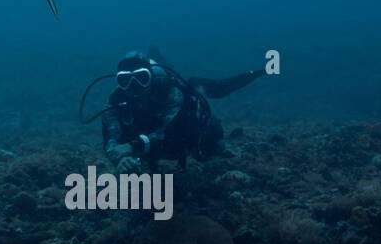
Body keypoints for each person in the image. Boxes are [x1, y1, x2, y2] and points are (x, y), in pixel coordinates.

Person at [94, 49, 262, 172]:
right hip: (150, 143)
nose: (134, 86)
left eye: (141, 78)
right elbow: (110, 139)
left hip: (187, 133)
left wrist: (132, 146)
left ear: (151, 77)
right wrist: (120, 158)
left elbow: (172, 128)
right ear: (119, 82)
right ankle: (154, 54)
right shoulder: (114, 101)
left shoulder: (170, 91)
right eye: (125, 80)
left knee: (213, 149)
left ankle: (258, 72)